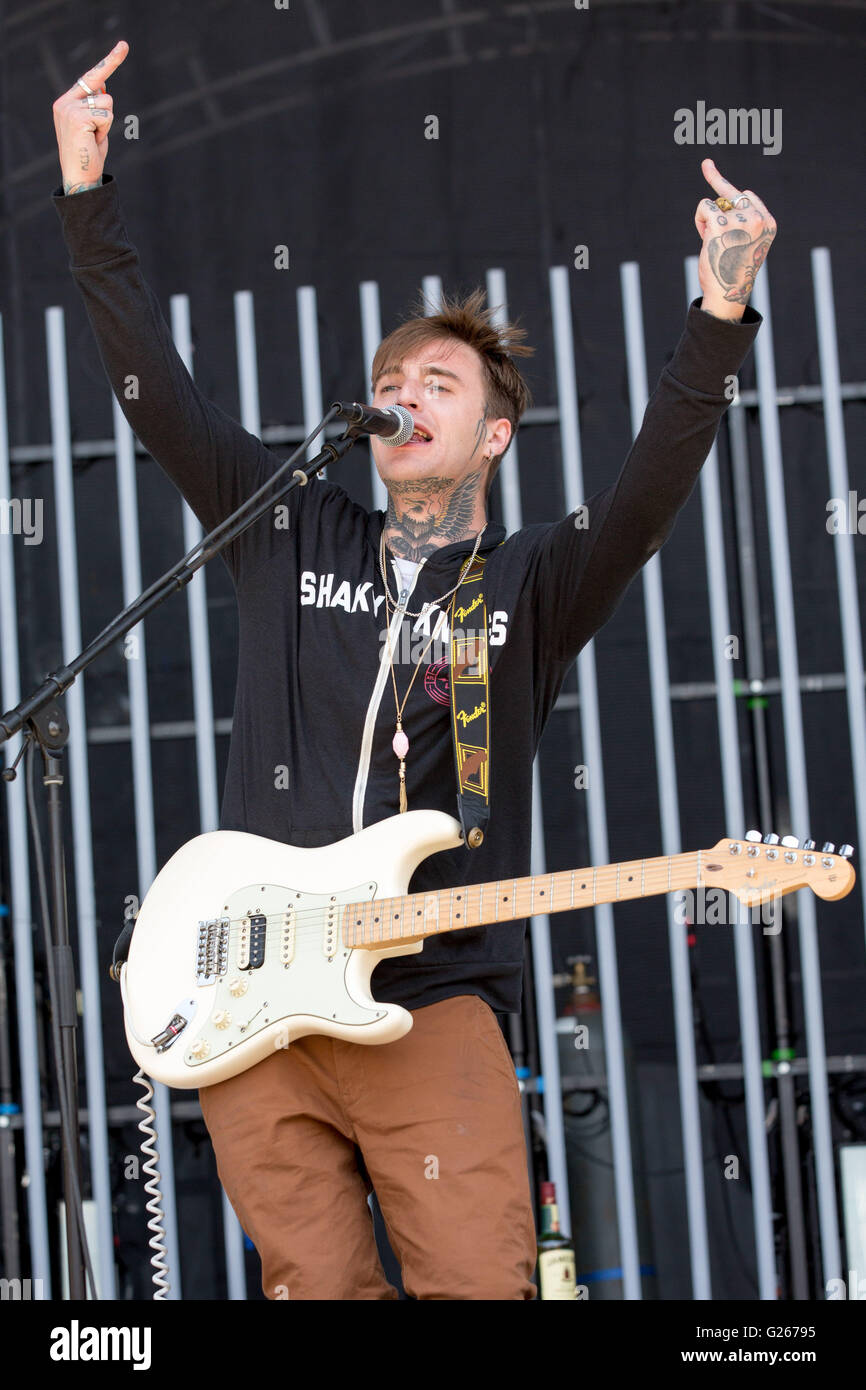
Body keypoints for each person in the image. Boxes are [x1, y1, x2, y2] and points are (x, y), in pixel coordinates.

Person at [52, 40, 773, 1300]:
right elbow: (156, 397)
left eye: (435, 382)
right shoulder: (289, 524)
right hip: (254, 1023)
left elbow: (647, 497)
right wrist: (87, 201)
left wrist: (717, 317)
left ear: (493, 432)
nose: (402, 393)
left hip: (427, 1005)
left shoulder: (533, 585)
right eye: (388, 382)